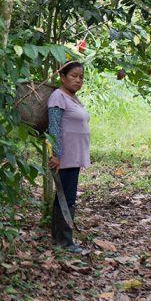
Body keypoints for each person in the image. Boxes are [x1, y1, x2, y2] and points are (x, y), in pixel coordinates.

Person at [47, 61, 91, 253]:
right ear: (62, 77)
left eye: (81, 77)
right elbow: (54, 128)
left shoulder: (72, 98)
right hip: (64, 157)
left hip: (74, 156)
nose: (78, 80)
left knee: (64, 196)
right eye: (74, 76)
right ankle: (65, 242)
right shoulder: (58, 97)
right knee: (67, 198)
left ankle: (59, 238)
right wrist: (56, 155)